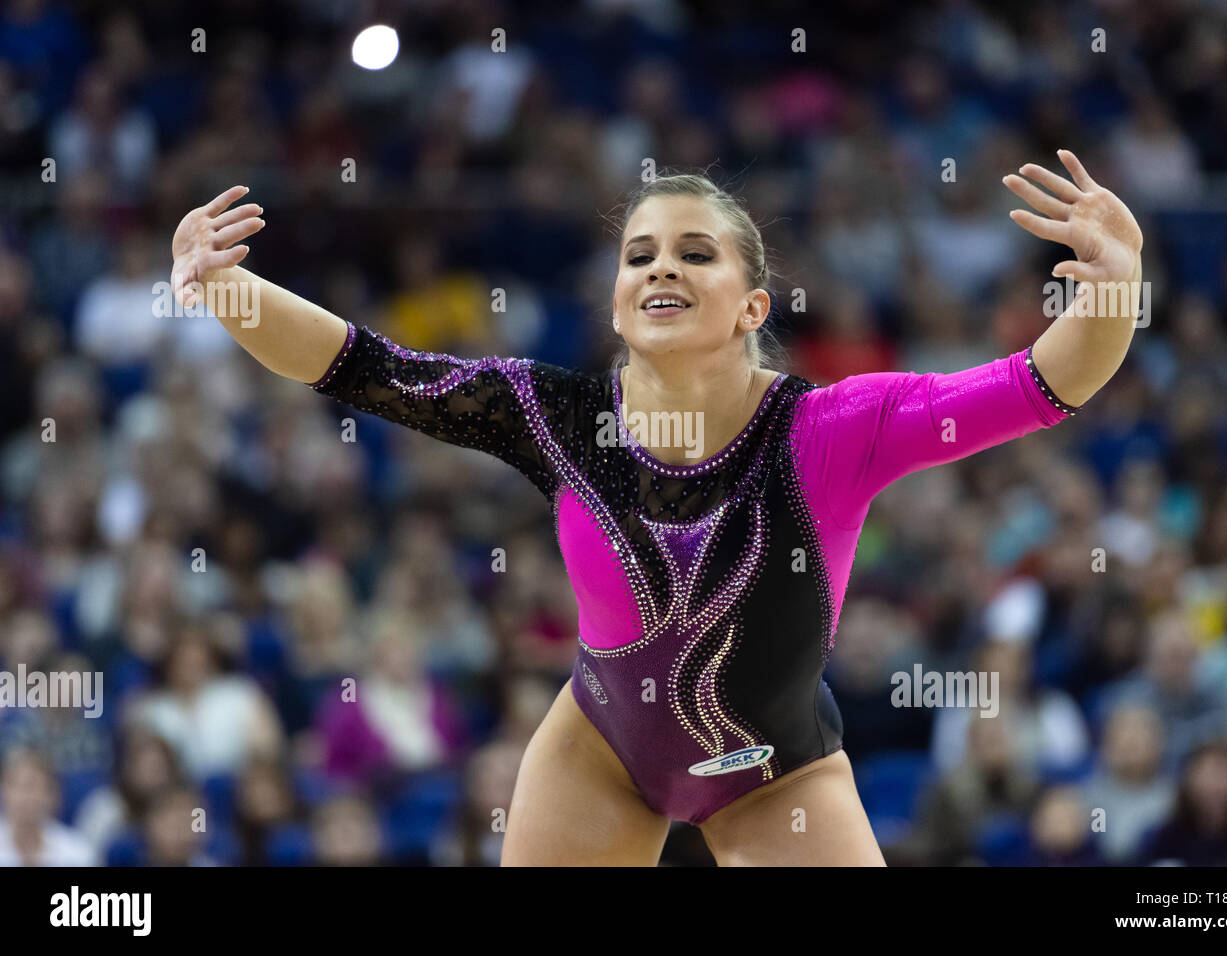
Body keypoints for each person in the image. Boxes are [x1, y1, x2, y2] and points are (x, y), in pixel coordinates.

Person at [170, 149, 1143, 865]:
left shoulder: (833, 429)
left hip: (778, 775)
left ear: (752, 307)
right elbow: (365, 367)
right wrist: (225, 288)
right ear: (615, 304)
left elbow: (1043, 385)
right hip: (598, 752)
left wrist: (1113, 288)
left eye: (694, 253)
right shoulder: (551, 415)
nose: (660, 268)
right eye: (639, 256)